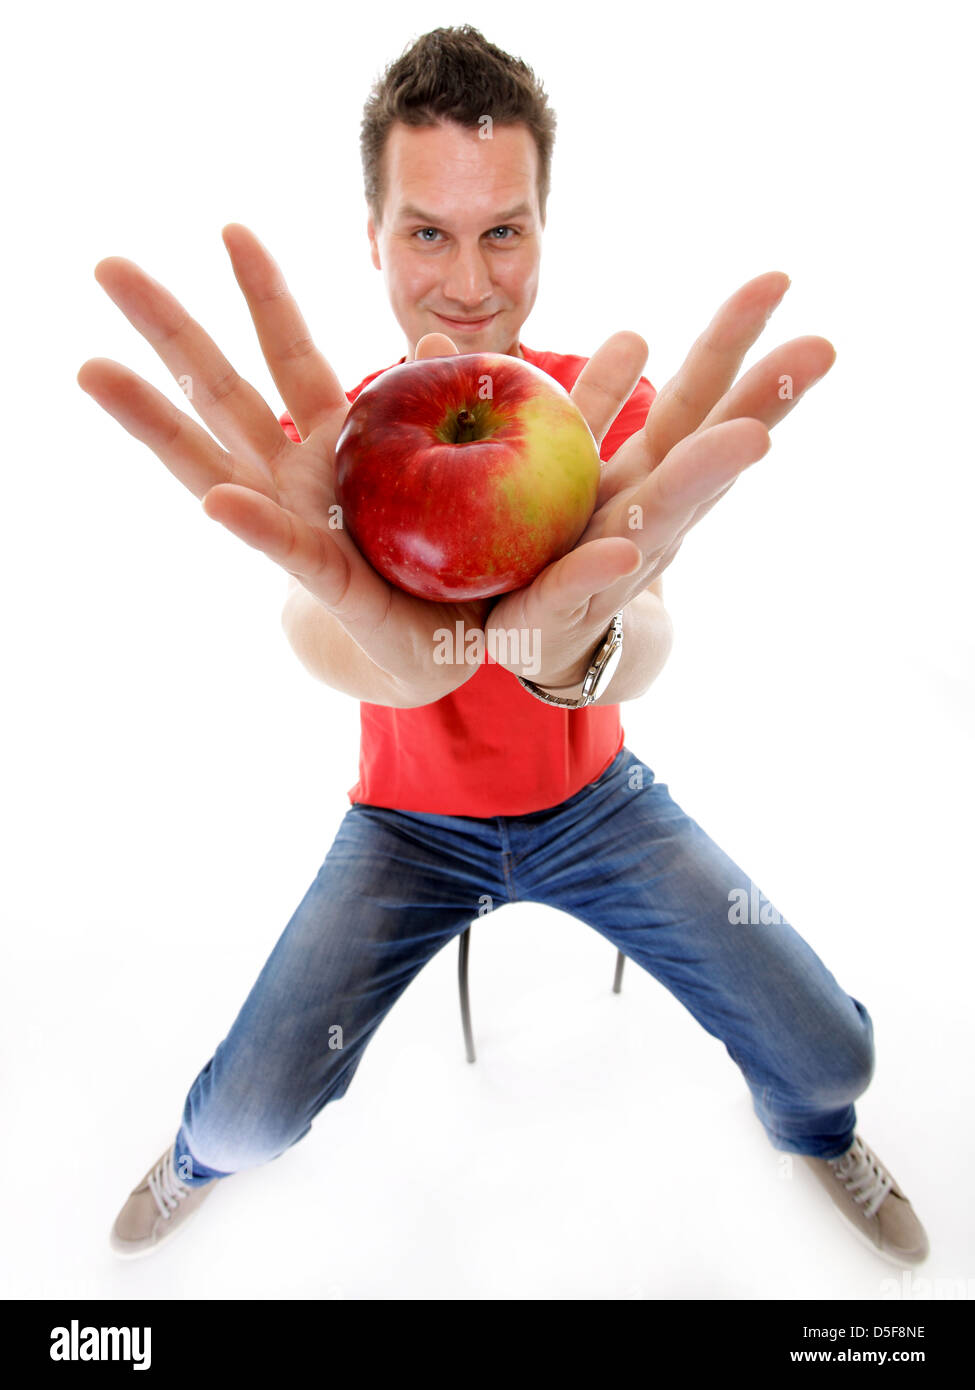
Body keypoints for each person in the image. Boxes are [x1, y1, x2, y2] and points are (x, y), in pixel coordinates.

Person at [78, 24, 928, 1269]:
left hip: (598, 805)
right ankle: (203, 1154)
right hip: (404, 829)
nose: (469, 280)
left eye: (503, 230)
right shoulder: (343, 446)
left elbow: (648, 630)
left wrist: (566, 655)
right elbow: (314, 621)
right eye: (427, 231)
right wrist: (400, 661)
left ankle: (808, 1127)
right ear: (372, 235)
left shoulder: (589, 424)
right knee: (254, 1112)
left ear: (543, 228)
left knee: (838, 1054)